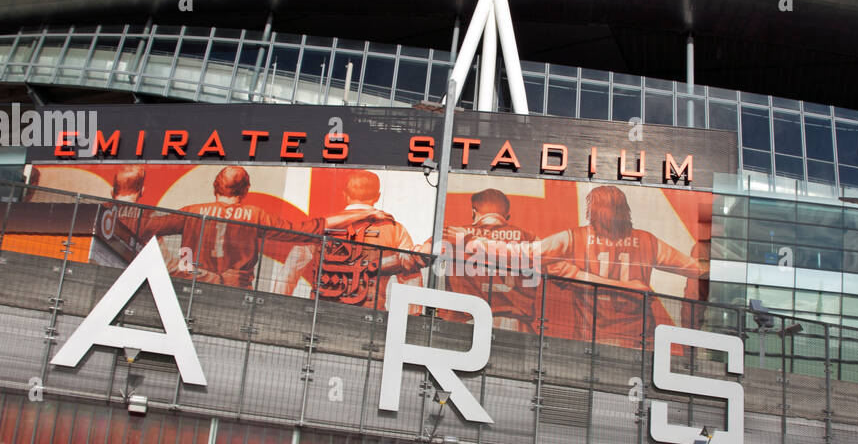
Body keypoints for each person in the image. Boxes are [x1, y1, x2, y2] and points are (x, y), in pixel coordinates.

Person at [525, 184, 706, 346]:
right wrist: (727, 269)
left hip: (592, 338)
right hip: (640, 338)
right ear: (625, 209)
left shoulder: (574, 238)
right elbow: (693, 268)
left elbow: (527, 254)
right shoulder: (647, 241)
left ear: (593, 210)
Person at [278, 169, 422, 309]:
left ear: (345, 195)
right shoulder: (396, 230)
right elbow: (411, 278)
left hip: (320, 312)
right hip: (371, 318)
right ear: (377, 196)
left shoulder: (325, 226)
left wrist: (278, 307)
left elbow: (289, 272)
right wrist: (411, 321)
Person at [142, 165, 296, 290]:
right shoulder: (256, 215)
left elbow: (148, 227)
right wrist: (320, 225)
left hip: (192, 286)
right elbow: (293, 231)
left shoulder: (192, 211)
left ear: (215, 186)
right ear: (246, 189)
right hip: (235, 292)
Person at [422, 187, 540, 332]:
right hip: (517, 326)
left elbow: (419, 256)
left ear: (473, 212)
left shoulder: (452, 234)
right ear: (507, 217)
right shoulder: (529, 238)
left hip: (468, 322)